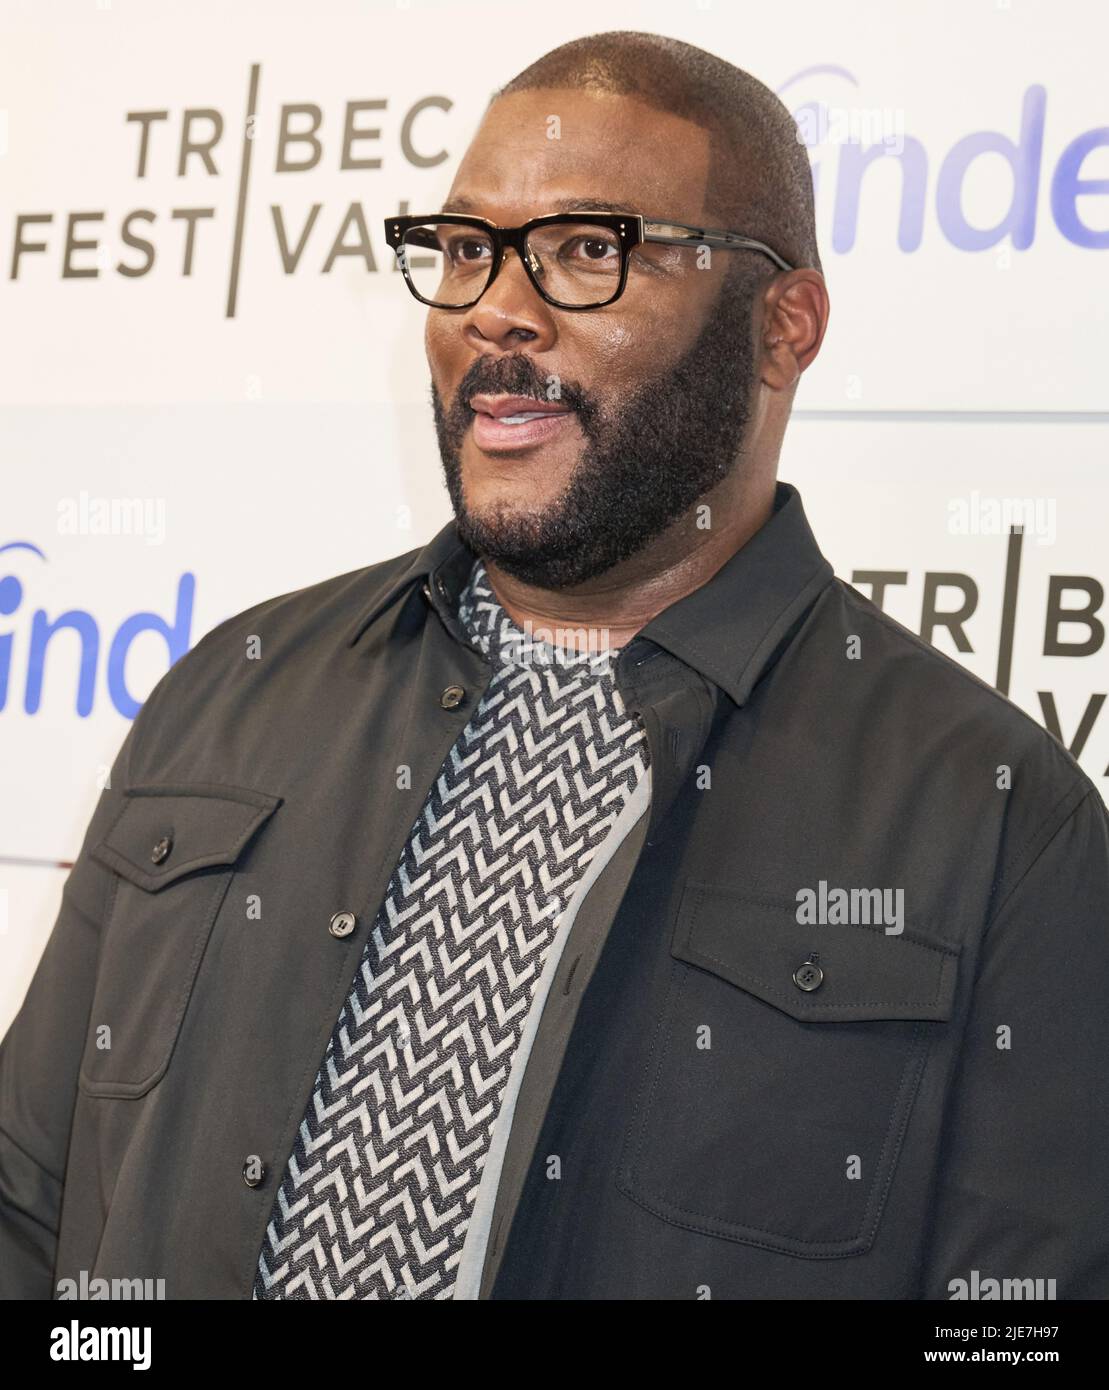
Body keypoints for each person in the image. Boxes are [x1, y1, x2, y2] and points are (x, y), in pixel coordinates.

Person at [2, 30, 1107, 1301]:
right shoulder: (229, 694)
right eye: (466, 249)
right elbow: (30, 1199)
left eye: (589, 251)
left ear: (782, 327)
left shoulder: (994, 825)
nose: (494, 310)